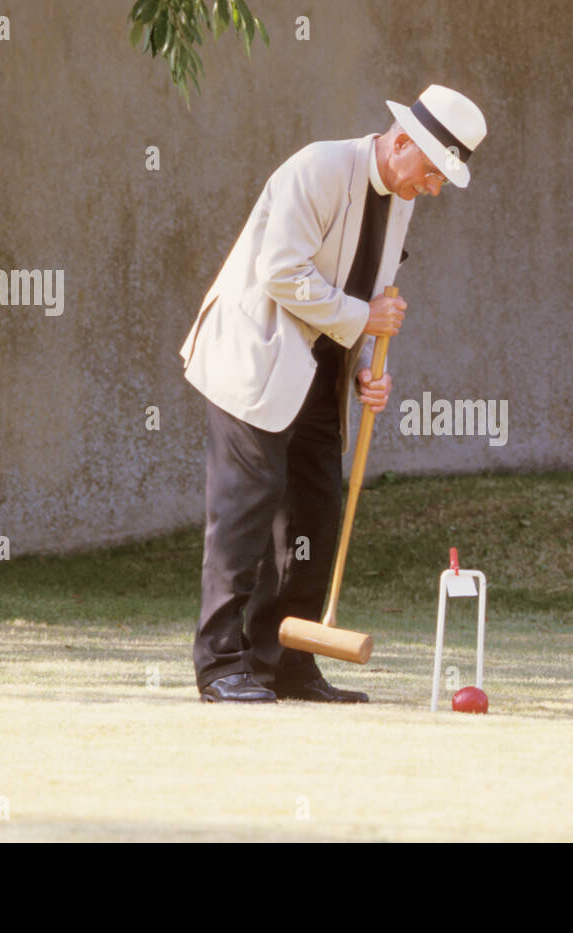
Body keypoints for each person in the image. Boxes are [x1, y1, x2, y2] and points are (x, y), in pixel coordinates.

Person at [178, 85, 487, 703]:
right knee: (246, 510)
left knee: (315, 510)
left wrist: (372, 363)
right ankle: (220, 666)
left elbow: (379, 291)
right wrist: (362, 320)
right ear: (401, 142)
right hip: (256, 354)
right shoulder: (318, 168)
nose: (431, 189)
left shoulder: (401, 194)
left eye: (440, 181)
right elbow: (281, 271)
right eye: (430, 173)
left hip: (324, 365)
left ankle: (286, 660)